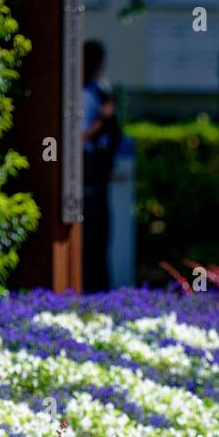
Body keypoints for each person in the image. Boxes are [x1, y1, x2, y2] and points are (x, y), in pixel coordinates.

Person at [82, 40, 120, 293]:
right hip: (87, 176)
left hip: (97, 177)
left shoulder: (99, 91)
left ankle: (99, 291)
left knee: (98, 241)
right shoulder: (84, 94)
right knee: (90, 240)